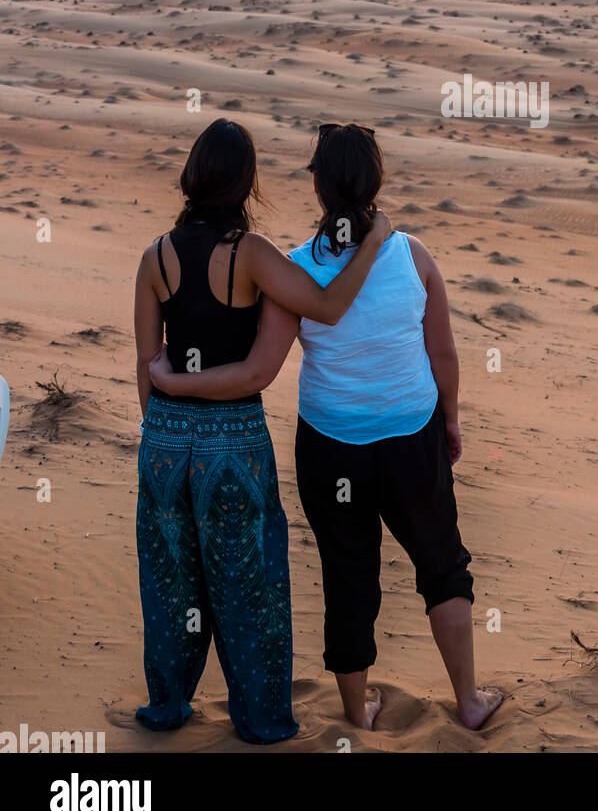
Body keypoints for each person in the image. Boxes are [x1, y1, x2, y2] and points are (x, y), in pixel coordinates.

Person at [151, 122, 502, 731]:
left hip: (330, 447)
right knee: (442, 565)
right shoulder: (413, 256)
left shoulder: (293, 270)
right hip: (411, 436)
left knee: (348, 573)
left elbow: (264, 364)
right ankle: (469, 700)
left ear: (316, 184)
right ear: (376, 183)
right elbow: (443, 354)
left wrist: (174, 382)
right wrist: (450, 419)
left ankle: (353, 711)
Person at [133, 118, 391, 744]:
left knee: (171, 583)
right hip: (232, 442)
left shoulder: (154, 258)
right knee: (250, 586)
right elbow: (324, 308)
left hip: (165, 442)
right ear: (246, 184)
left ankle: (167, 706)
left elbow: (148, 368)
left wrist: (169, 417)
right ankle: (261, 720)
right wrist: (375, 244)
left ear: (192, 178)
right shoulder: (250, 256)